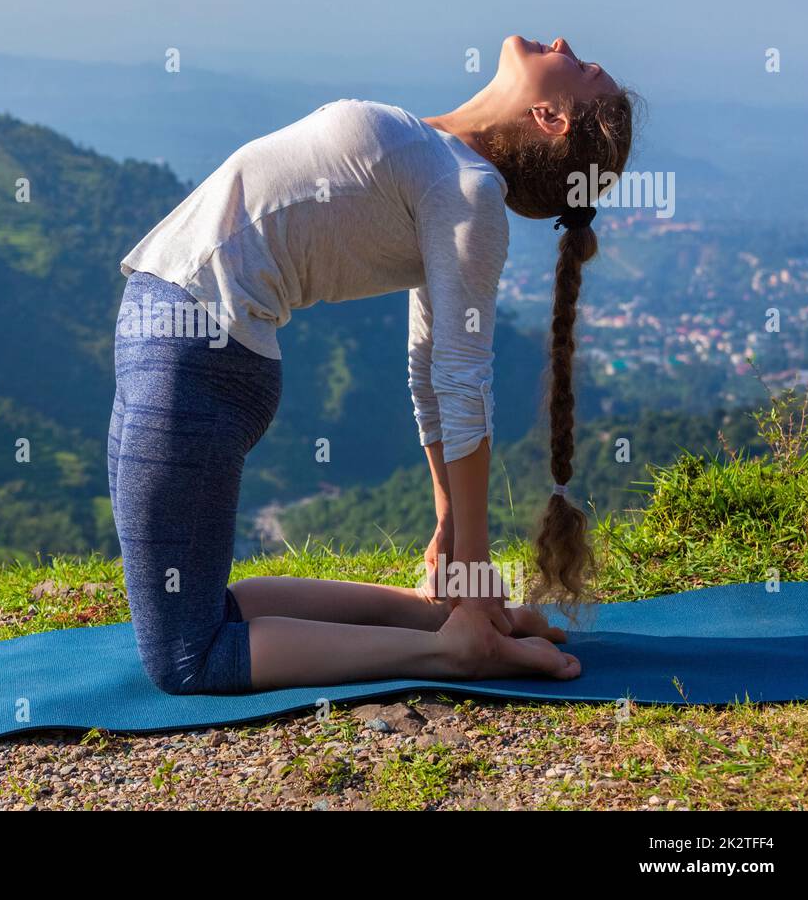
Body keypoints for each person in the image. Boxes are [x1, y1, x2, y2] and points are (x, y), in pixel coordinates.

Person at [108, 36, 636, 693]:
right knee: (206, 614)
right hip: (167, 338)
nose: (562, 43)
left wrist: (475, 579)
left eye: (580, 66)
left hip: (196, 357)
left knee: (188, 657)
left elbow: (463, 380)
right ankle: (435, 619)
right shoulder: (444, 164)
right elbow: (425, 368)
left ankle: (456, 649)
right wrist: (449, 533)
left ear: (551, 117)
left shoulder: (468, 192)